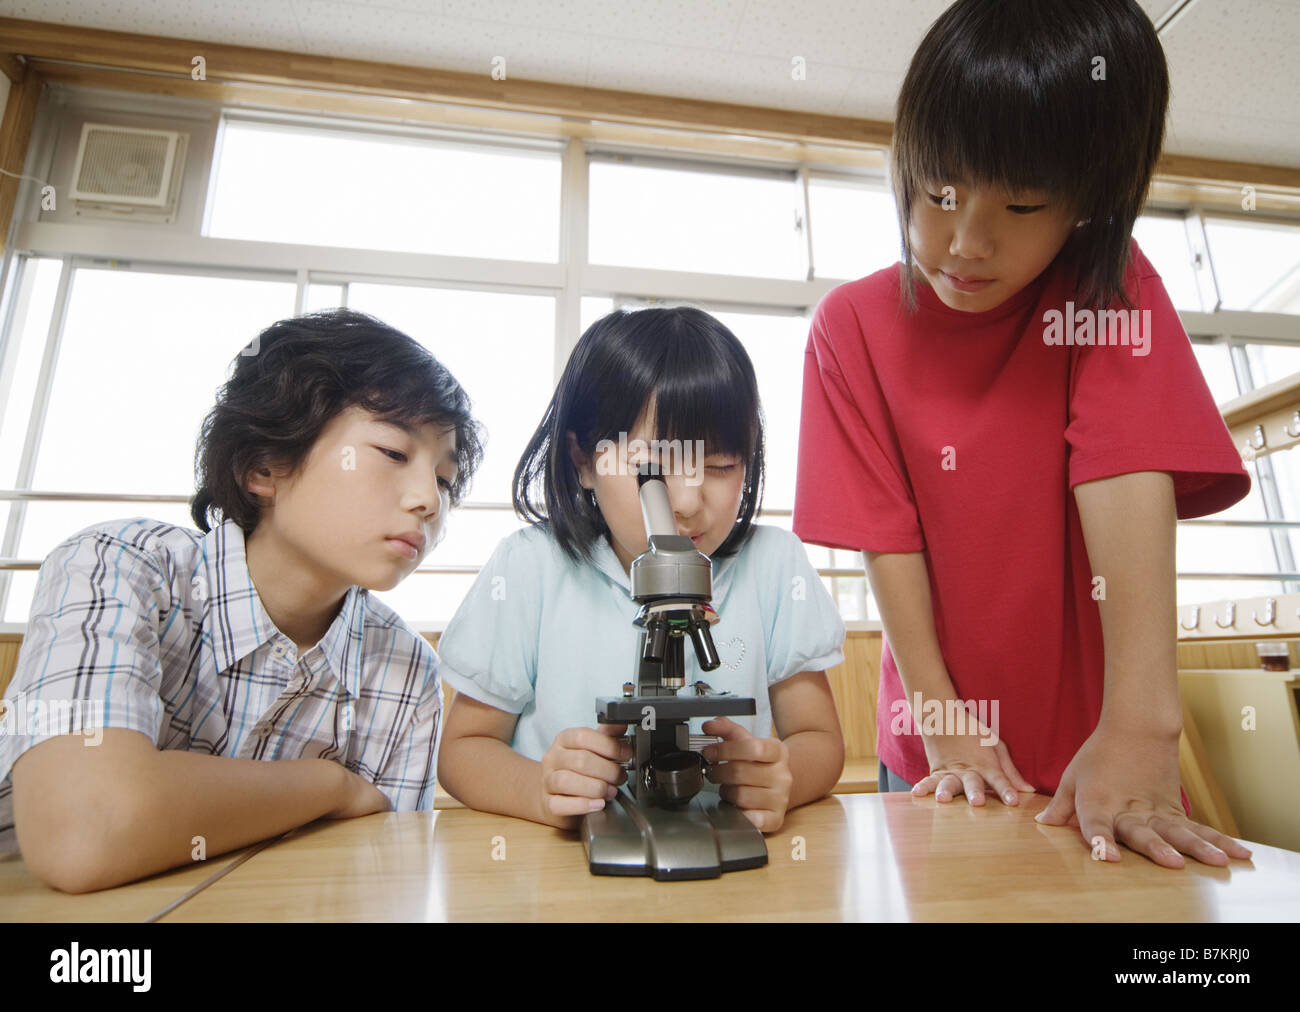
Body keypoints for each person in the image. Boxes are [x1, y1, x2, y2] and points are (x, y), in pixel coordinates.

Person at [794, 0, 1254, 868]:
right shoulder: (849, 327)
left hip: (1104, 754)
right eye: (939, 193)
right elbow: (887, 540)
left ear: (1089, 205)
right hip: (939, 748)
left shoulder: (1108, 290)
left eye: (1023, 205)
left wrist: (1141, 723)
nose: (964, 242)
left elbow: (1124, 471)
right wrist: (940, 718)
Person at [0, 308, 483, 891]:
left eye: (446, 479)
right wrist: (330, 785)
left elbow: (377, 880)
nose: (429, 500)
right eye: (392, 453)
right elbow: (84, 831)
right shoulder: (118, 566)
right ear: (264, 466)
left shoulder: (409, 672)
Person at [436, 306, 845, 833]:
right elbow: (464, 751)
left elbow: (820, 741)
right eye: (653, 469)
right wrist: (537, 789)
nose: (690, 501)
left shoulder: (775, 564)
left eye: (721, 466)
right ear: (584, 459)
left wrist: (783, 777)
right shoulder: (528, 567)